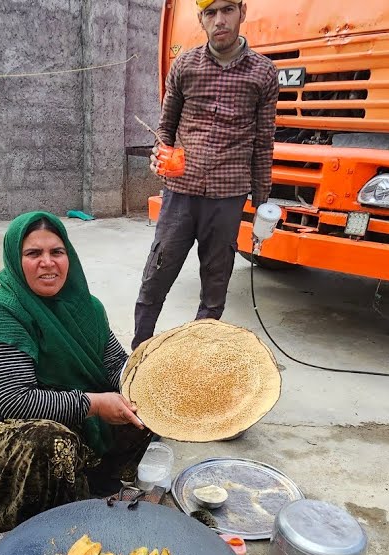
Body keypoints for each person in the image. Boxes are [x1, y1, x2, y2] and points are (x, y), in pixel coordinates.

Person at [0, 211, 151, 529]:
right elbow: (15, 401)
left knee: (147, 403)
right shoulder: (0, 312)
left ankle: (99, 488)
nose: (47, 262)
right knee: (50, 442)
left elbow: (115, 365)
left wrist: (149, 378)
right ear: (16, 260)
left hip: (73, 419)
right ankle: (46, 526)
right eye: (33, 254)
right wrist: (96, 404)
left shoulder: (87, 307)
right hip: (4, 440)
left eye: (57, 251)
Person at [132, 0, 280, 349]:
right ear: (201, 19)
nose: (219, 20)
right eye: (210, 13)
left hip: (228, 197)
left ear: (242, 12)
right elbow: (166, 127)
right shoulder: (185, 65)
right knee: (156, 275)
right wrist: (161, 153)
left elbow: (263, 142)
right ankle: (138, 352)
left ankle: (197, 360)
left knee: (215, 286)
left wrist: (262, 202)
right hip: (180, 193)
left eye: (227, 10)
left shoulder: (263, 73)